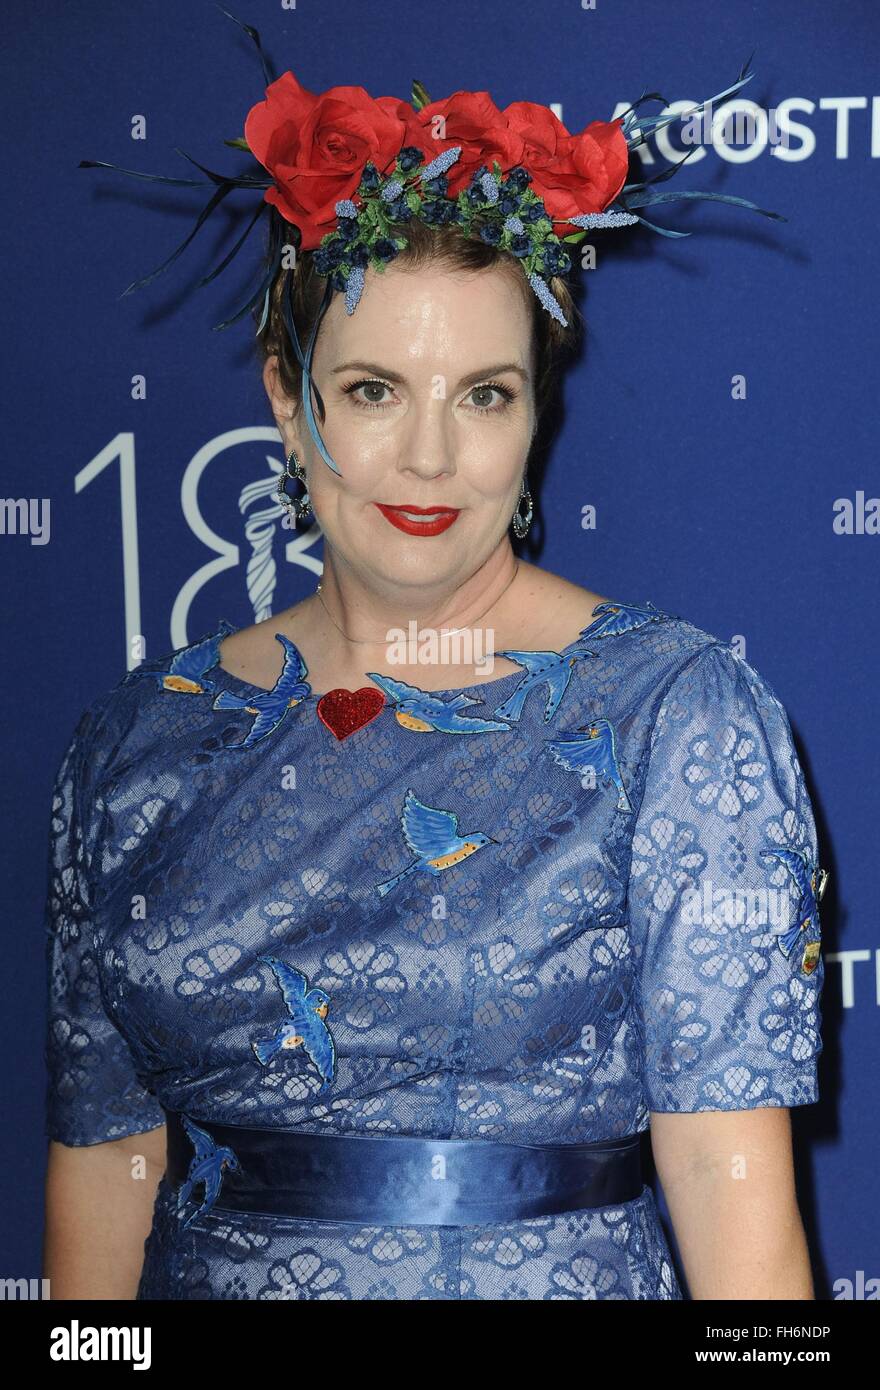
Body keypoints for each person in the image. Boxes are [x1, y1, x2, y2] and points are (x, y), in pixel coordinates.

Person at [43, 31, 827, 1300]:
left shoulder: (672, 717)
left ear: (536, 407)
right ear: (287, 401)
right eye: (370, 390)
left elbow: (742, 1228)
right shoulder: (131, 748)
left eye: (483, 394)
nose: (429, 458)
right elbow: (105, 1182)